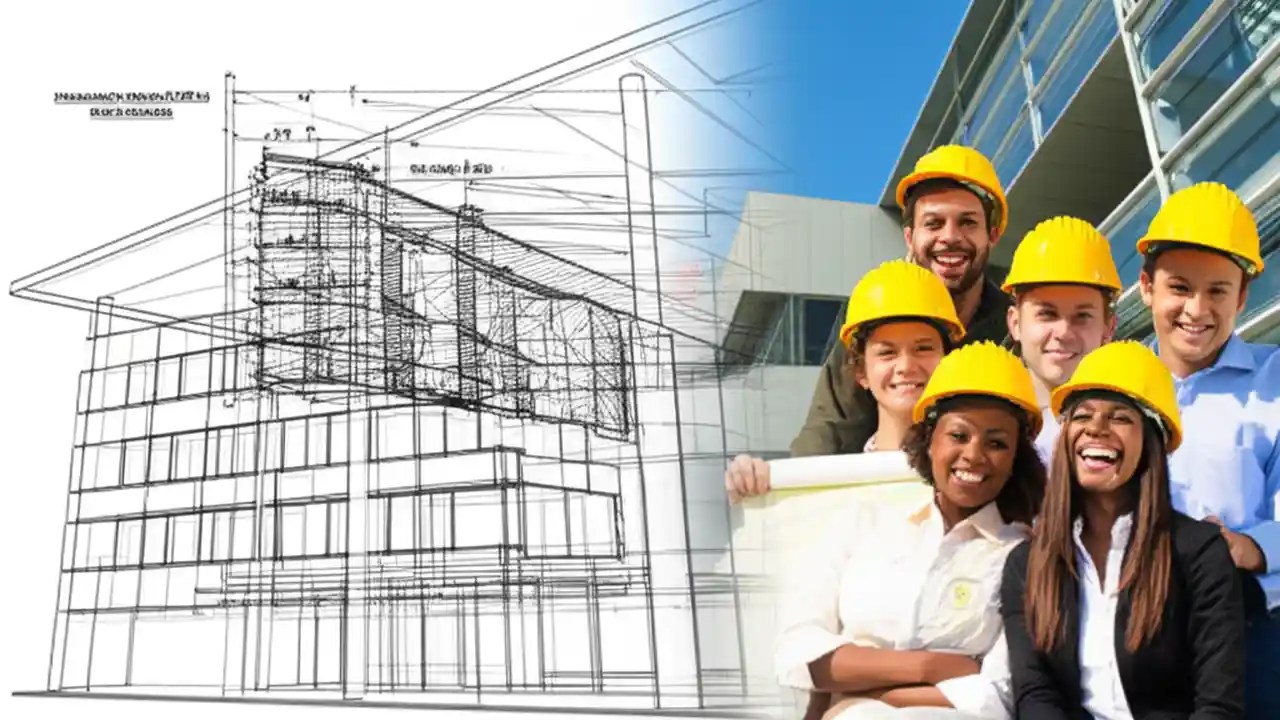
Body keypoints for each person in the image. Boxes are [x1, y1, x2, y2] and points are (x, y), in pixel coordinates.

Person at [775, 341, 1046, 719]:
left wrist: (860, 686)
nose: (974, 454)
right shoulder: (863, 524)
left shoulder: (1025, 558)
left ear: (1016, 458)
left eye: (997, 443)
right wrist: (930, 668)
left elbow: (996, 693)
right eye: (958, 435)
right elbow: (798, 652)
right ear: (929, 439)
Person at [726, 145, 1012, 496]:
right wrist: (782, 490)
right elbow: (830, 427)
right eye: (933, 223)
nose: (950, 237)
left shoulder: (1015, 328)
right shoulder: (872, 315)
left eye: (967, 222)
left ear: (993, 234)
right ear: (910, 237)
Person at [1001, 340, 1246, 718]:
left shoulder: (1199, 554)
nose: (1096, 429)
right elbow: (1036, 693)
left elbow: (1219, 704)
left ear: (1152, 441)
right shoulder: (1026, 564)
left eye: (1120, 417)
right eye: (1081, 416)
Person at [1134, 181, 1280, 717]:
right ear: (1147, 287)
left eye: (1217, 291)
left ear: (1242, 297)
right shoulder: (1115, 381)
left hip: (1252, 628)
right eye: (1179, 287)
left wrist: (1250, 545)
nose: (1197, 309)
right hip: (1133, 623)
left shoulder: (1276, 380)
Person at [725, 259, 965, 502]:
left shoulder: (976, 476)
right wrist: (754, 482)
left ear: (948, 360)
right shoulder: (834, 483)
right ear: (861, 372)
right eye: (887, 353)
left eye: (923, 348)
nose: (905, 366)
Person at [1000, 216, 1122, 459]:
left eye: (1082, 316)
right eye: (1047, 314)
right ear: (1015, 323)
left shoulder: (1132, 429)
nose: (1064, 332)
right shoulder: (985, 424)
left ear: (1108, 328)